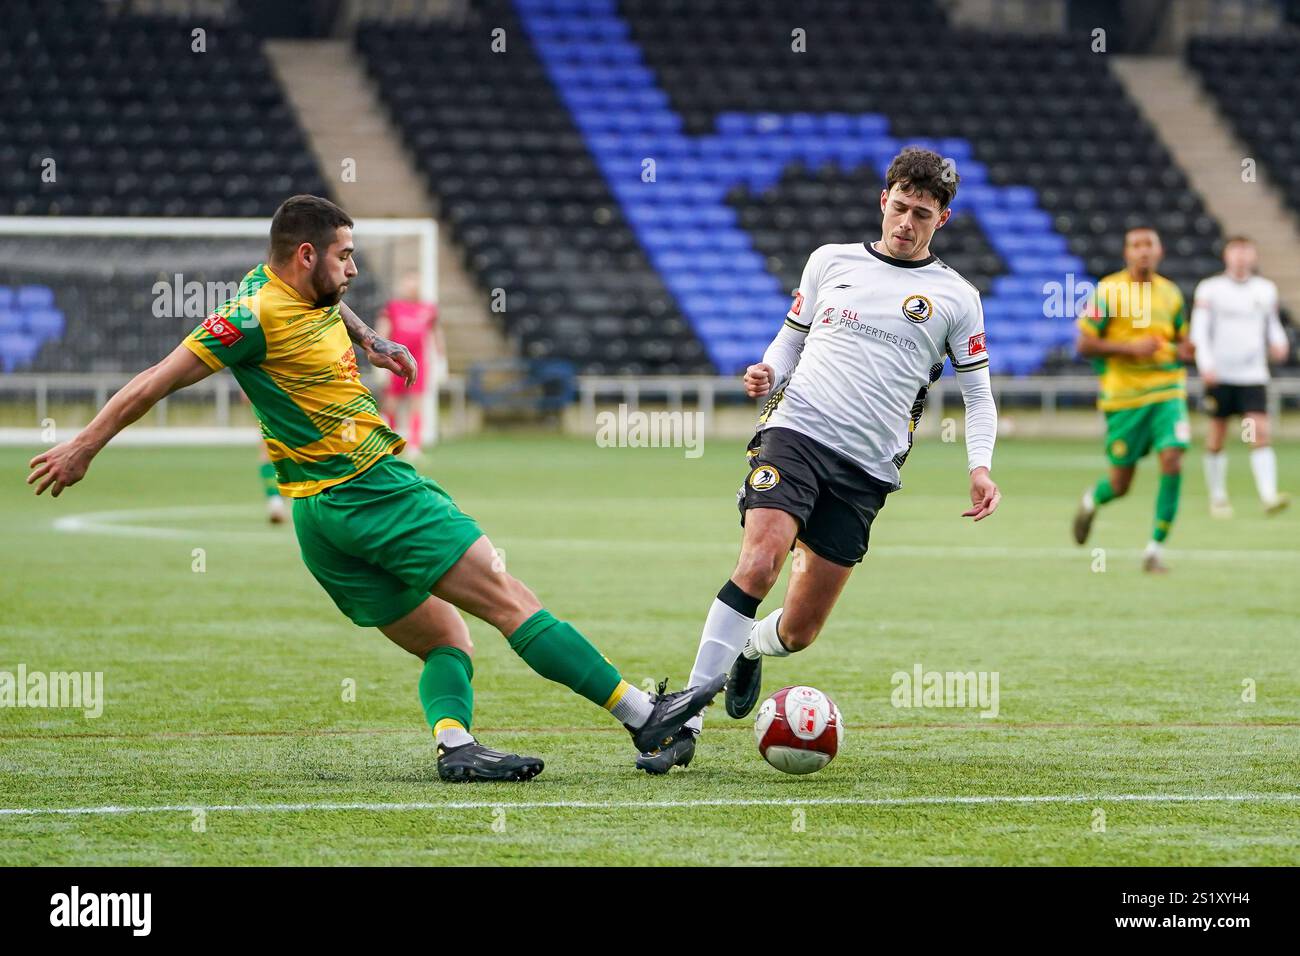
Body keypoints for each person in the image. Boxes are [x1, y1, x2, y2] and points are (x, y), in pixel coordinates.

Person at [27, 194, 722, 782]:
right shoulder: (249, 318)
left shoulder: (274, 289)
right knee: (511, 601)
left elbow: (330, 312)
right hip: (373, 489)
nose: (354, 269)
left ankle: (456, 747)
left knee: (447, 640)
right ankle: (642, 716)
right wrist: (85, 445)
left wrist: (368, 341)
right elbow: (158, 378)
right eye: (345, 256)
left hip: (318, 521)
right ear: (307, 256)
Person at [638, 147, 1000, 774]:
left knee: (800, 632)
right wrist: (767, 370)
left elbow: (977, 392)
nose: (906, 222)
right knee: (759, 563)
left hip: (867, 469)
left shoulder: (957, 297)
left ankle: (749, 648)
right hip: (796, 432)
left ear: (942, 219)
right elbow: (792, 338)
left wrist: (979, 465)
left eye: (922, 213)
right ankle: (682, 722)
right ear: (882, 199)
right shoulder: (830, 262)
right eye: (899, 206)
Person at [1072, 226, 1193, 573]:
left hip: (1168, 391)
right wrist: (1130, 348)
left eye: (1149, 245)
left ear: (1160, 251)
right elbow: (1084, 344)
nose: (1143, 251)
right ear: (1126, 253)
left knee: (1173, 459)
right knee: (1121, 484)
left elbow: (1181, 341)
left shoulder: (1171, 294)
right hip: (1124, 398)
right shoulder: (1108, 291)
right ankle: (1092, 500)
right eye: (1136, 246)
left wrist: (1187, 350)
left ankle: (1154, 549)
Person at [1190, 236, 1291, 517]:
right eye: (1236, 252)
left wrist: (1279, 342)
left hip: (1252, 374)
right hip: (1220, 375)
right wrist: (1205, 364)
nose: (1241, 258)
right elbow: (1199, 330)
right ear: (1226, 256)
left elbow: (1271, 325)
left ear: (1254, 257)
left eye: (1247, 253)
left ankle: (1268, 495)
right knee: (1217, 436)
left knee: (1258, 431)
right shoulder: (1211, 289)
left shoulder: (1264, 290)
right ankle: (1218, 496)